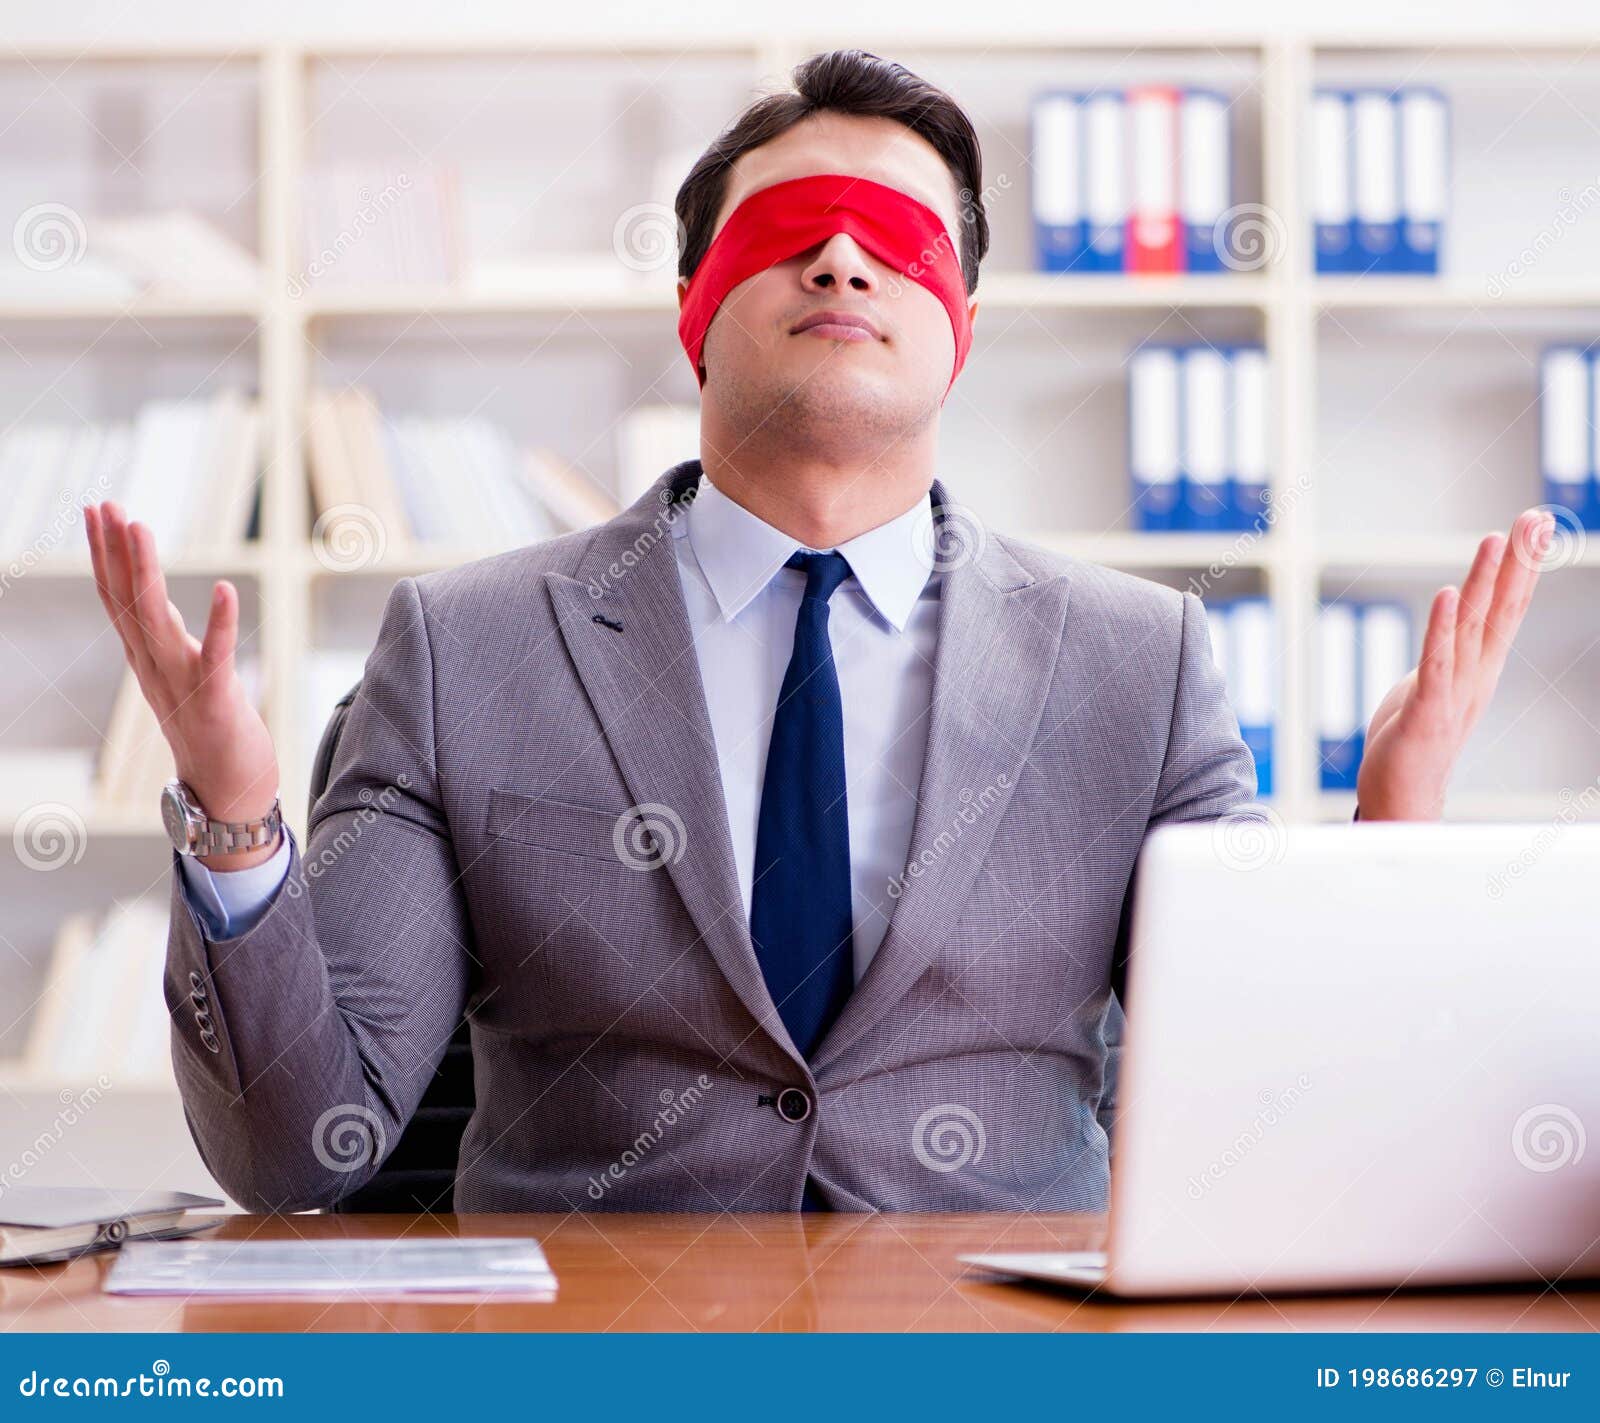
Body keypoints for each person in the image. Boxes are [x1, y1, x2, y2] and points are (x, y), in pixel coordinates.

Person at [87, 49, 1551, 1214]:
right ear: (693, 307)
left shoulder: (1141, 665)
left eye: (899, 242)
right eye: (789, 234)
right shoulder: (468, 650)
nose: (844, 261)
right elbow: (300, 1152)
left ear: (961, 323)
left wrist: (1395, 829)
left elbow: (1265, 1115)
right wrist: (236, 819)